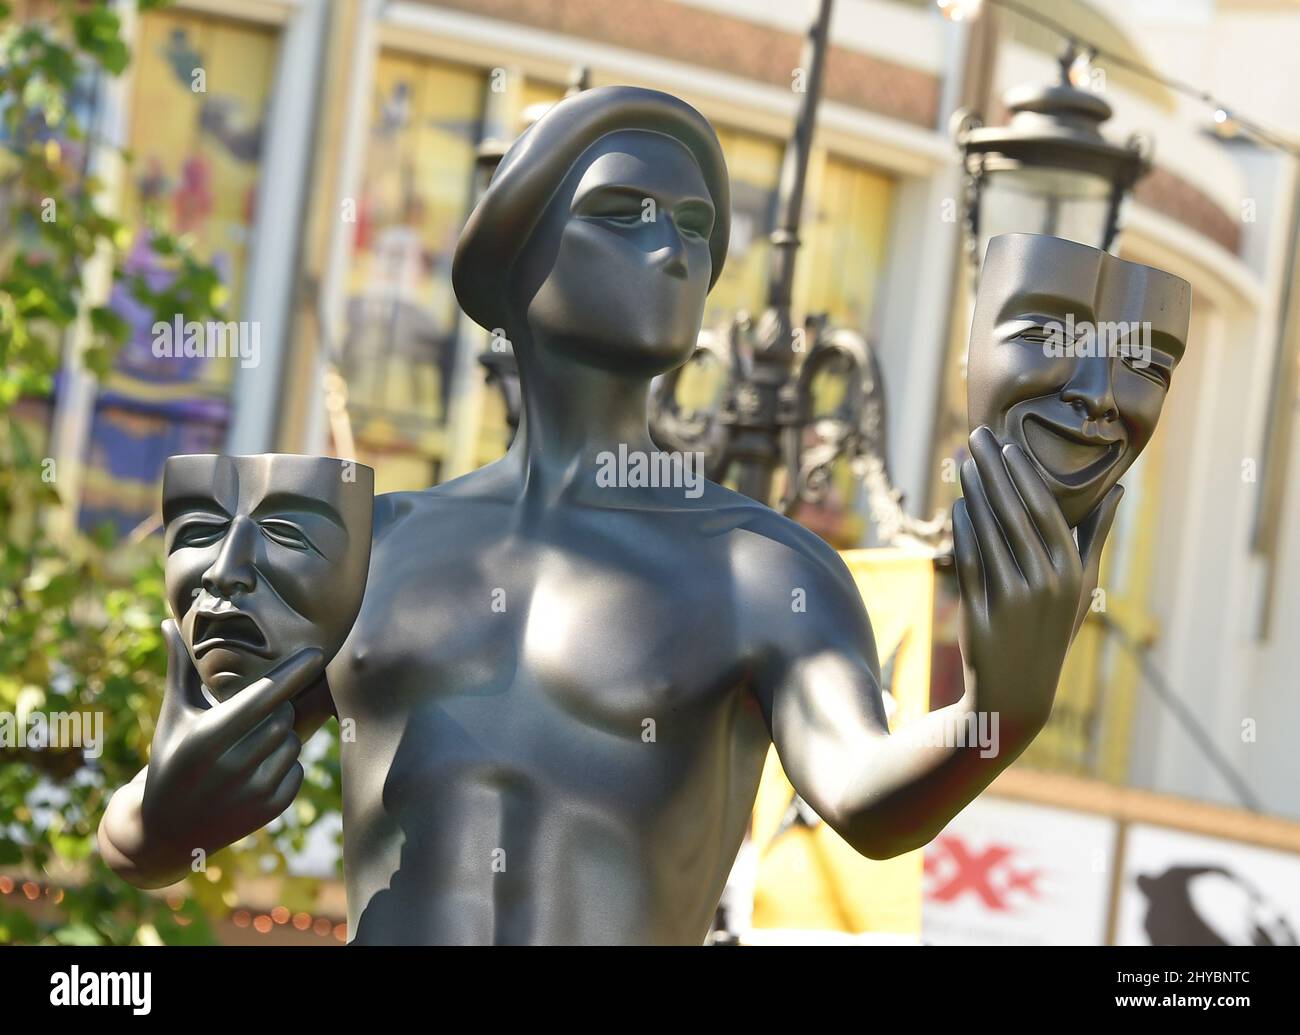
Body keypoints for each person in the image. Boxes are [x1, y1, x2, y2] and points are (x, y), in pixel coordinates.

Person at [100, 86, 1113, 944]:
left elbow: (865, 803)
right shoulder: (376, 547)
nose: (671, 250)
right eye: (621, 212)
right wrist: (159, 819)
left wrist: (997, 714)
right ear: (514, 263)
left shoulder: (762, 569)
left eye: (694, 226)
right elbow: (150, 827)